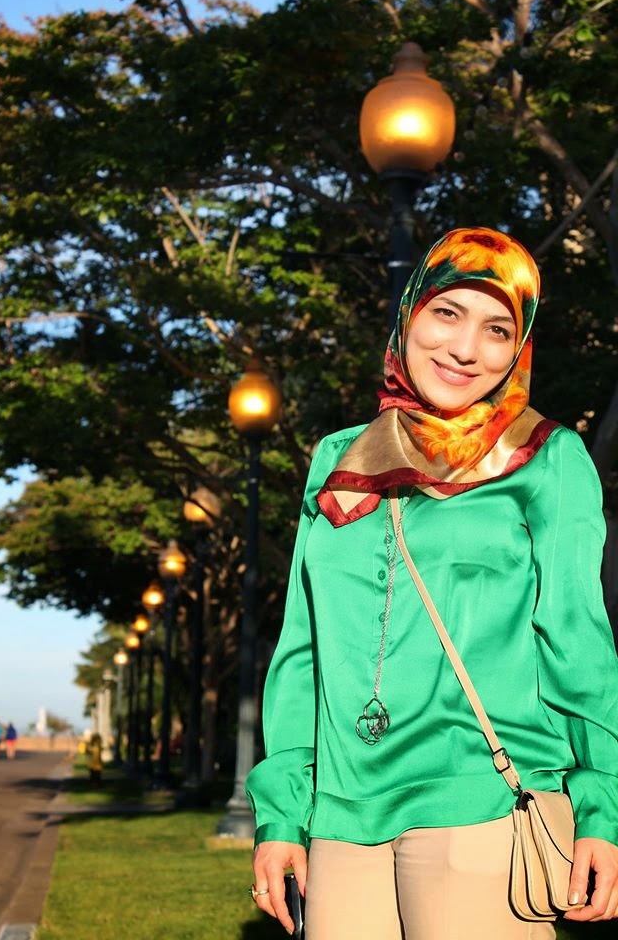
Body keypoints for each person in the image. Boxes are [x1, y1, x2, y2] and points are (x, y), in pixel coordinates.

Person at [246, 227, 618, 940]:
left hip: (482, 802)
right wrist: (282, 812)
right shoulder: (339, 457)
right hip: (342, 811)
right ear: (410, 312)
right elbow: (302, 647)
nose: (465, 348)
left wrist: (604, 804)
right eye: (447, 312)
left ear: (519, 347)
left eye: (497, 329)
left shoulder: (547, 458)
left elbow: (577, 640)